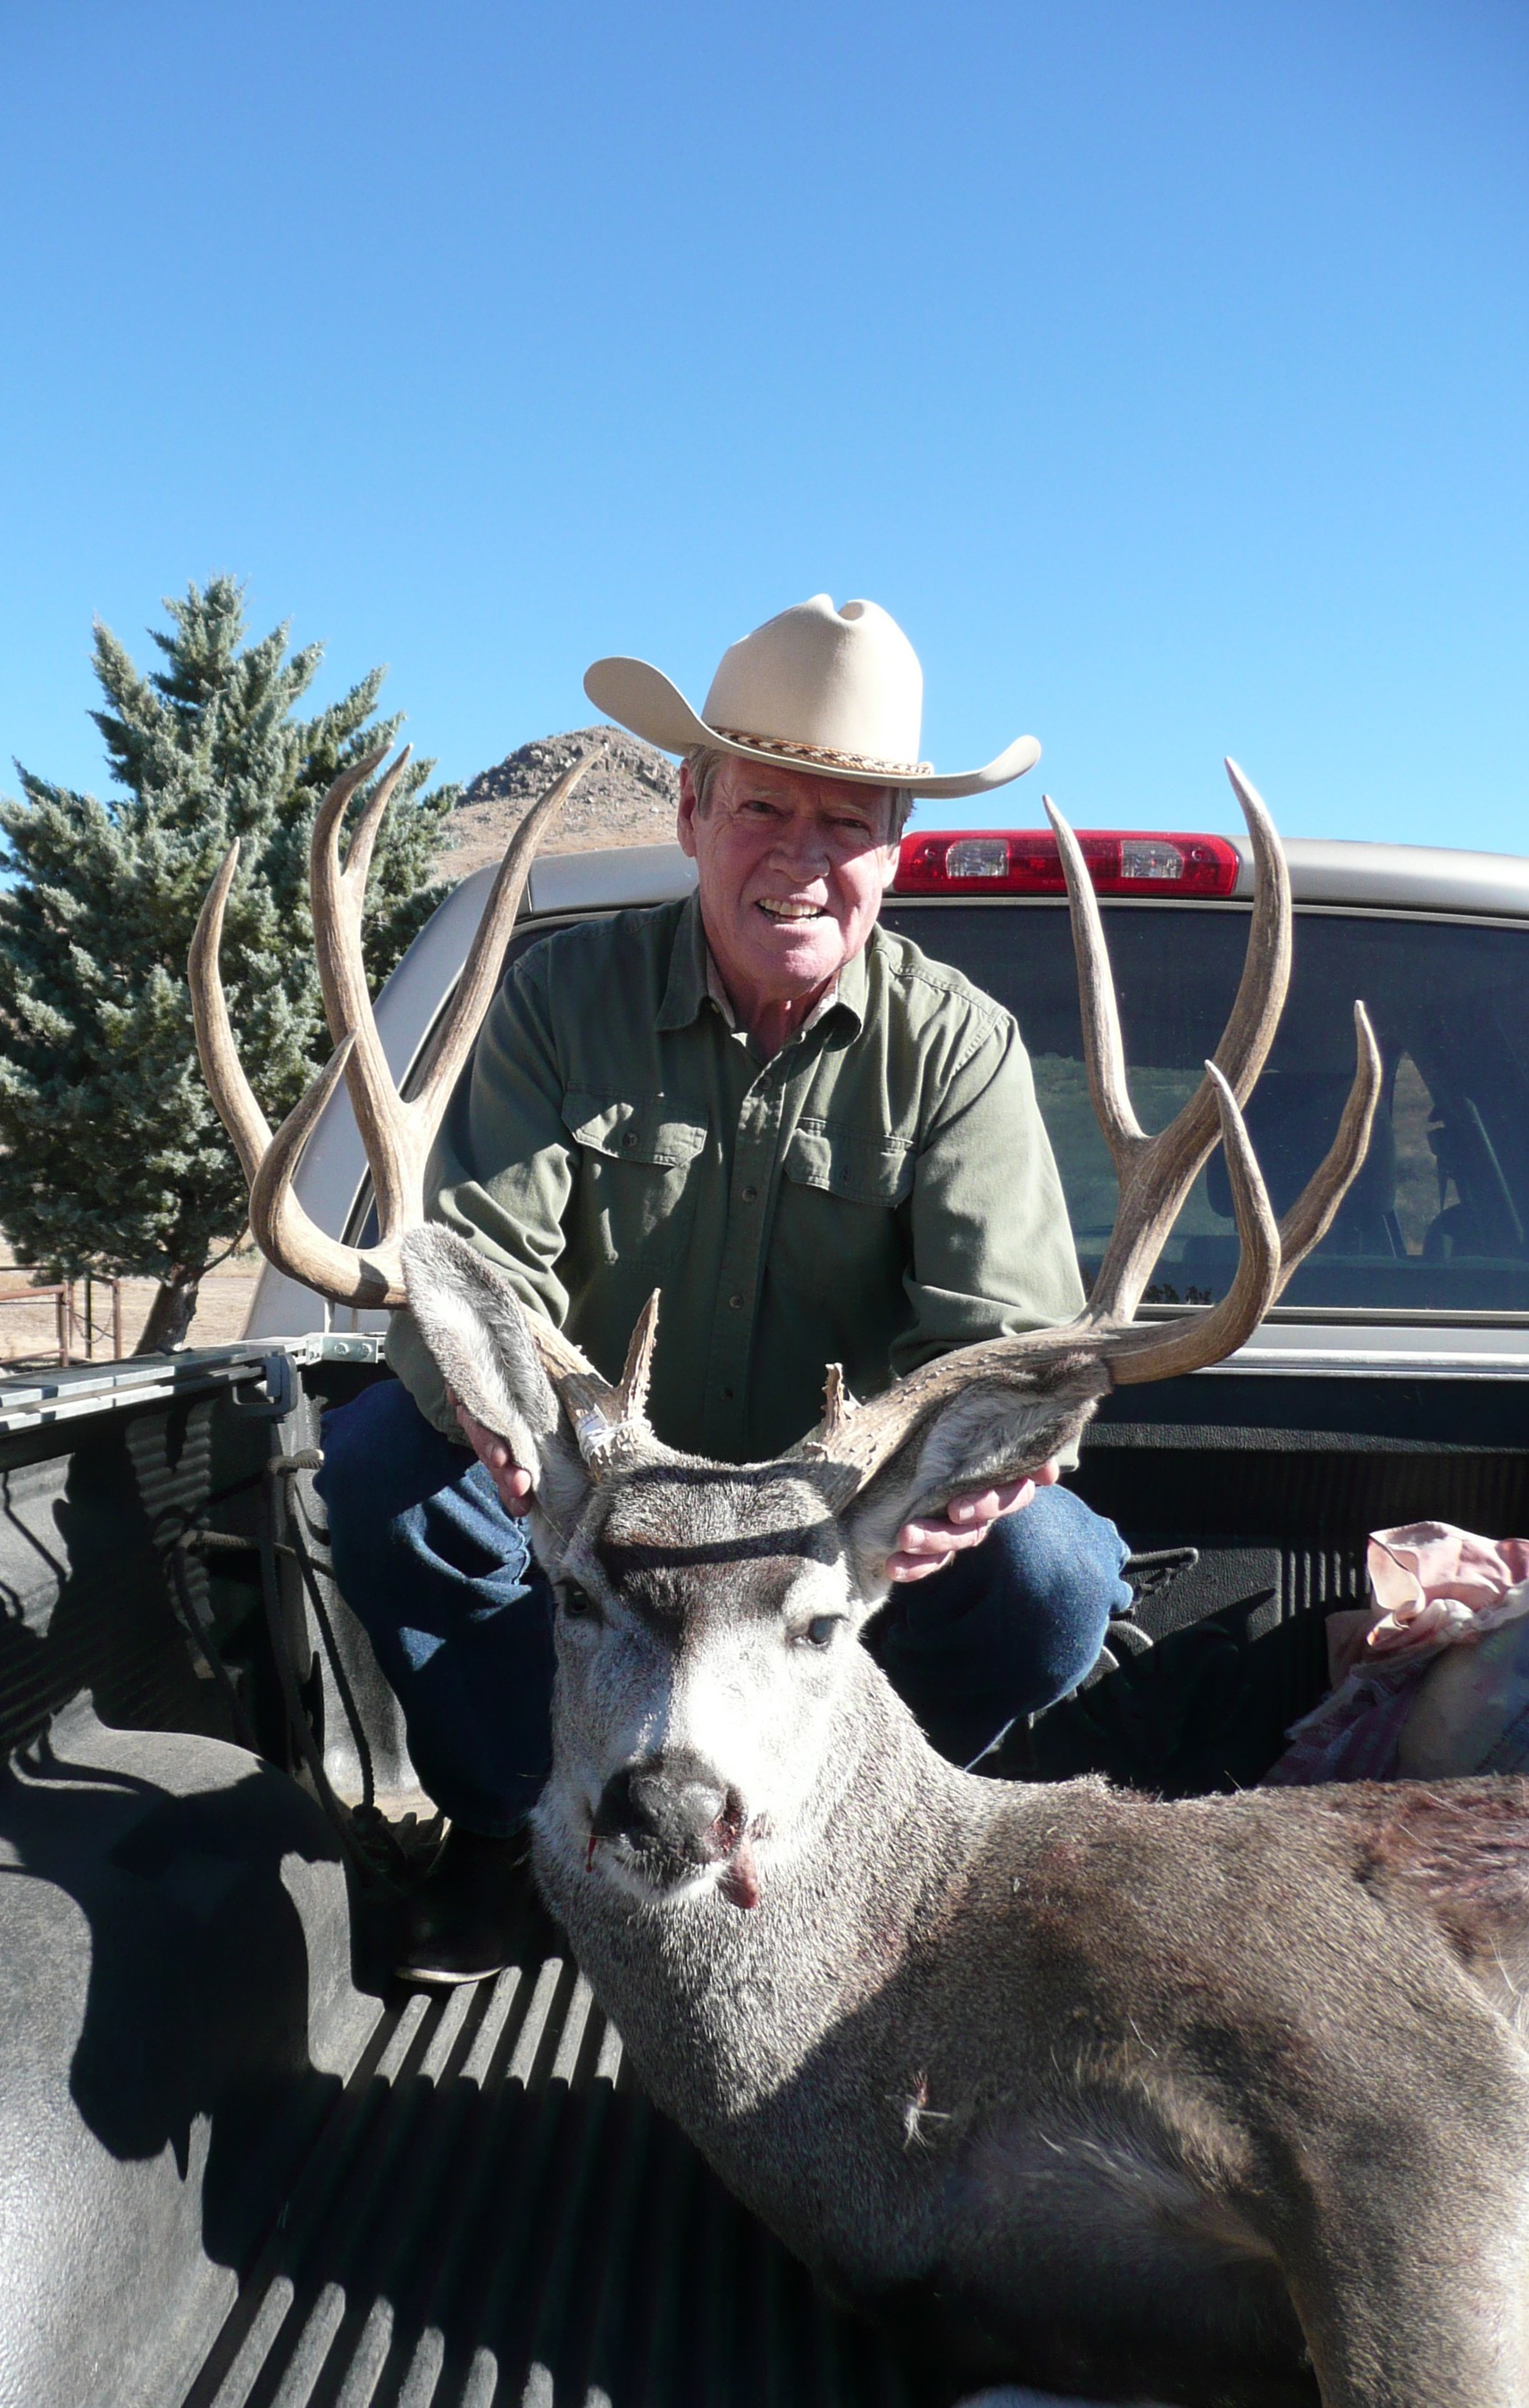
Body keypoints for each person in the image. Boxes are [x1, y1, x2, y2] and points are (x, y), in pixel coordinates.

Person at [319, 595, 1132, 1983]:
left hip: (829, 1523)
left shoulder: (957, 1048)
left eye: (849, 824)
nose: (802, 863)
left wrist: (961, 1488)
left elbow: (1013, 1347)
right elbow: (471, 1266)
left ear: (897, 848)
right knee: (386, 1462)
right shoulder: (559, 1001)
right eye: (764, 811)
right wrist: (501, 1415)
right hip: (600, 1502)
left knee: (1053, 1578)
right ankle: (524, 1837)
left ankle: (848, 1852)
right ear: (691, 809)